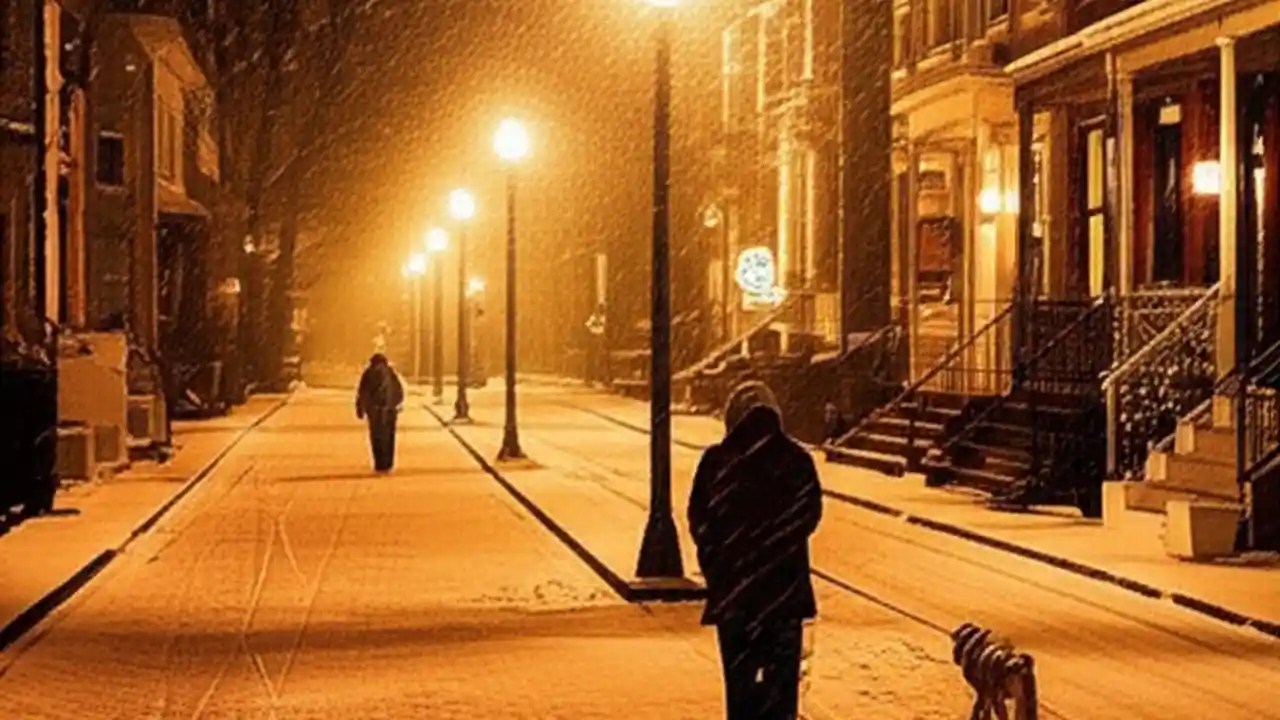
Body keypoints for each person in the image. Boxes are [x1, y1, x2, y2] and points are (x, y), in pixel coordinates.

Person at [688, 382, 823, 720]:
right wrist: (776, 555)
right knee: (781, 695)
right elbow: (809, 516)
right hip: (784, 599)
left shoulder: (716, 461)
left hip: (736, 600)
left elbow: (700, 520)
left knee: (740, 691)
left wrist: (718, 566)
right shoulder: (796, 460)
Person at [356, 353, 405, 472]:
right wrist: (396, 404)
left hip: (374, 411)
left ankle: (379, 462)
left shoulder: (368, 374)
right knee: (389, 437)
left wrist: (361, 409)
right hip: (389, 411)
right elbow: (399, 390)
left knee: (376, 437)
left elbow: (362, 392)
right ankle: (388, 462)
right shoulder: (390, 373)